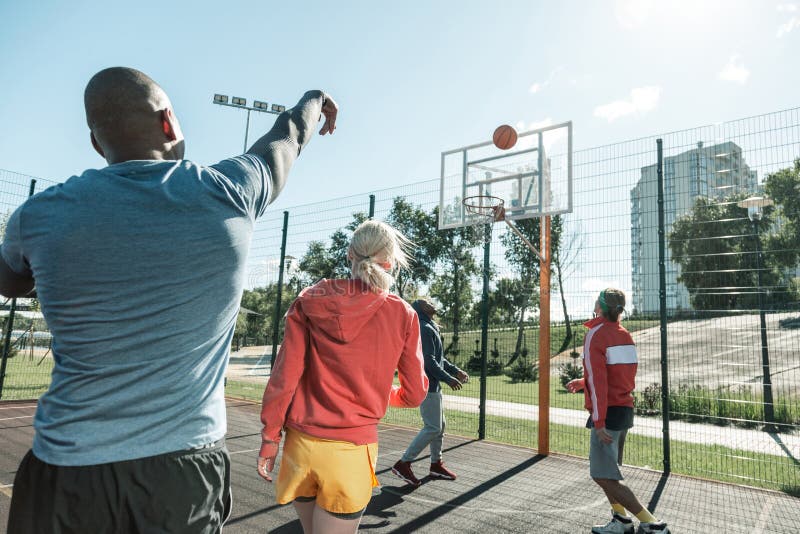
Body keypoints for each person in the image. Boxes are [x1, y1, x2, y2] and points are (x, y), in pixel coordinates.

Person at [0, 66, 338, 534]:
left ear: (98, 144)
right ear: (170, 123)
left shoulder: (39, 215)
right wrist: (314, 99)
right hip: (182, 470)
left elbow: (11, 282)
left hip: (67, 470)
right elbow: (287, 138)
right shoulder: (231, 190)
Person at [257, 219, 429, 534]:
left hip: (300, 449)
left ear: (349, 254)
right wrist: (385, 394)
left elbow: (285, 376)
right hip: (350, 452)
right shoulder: (403, 314)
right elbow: (415, 394)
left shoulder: (310, 300)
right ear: (389, 262)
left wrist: (270, 438)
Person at [567, 289, 670, 534]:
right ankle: (620, 520)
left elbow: (601, 381)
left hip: (608, 413)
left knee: (604, 476)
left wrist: (599, 420)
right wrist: (584, 382)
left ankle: (651, 523)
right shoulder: (624, 334)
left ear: (600, 307)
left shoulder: (596, 334)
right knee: (608, 472)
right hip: (624, 410)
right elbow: (617, 374)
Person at [392, 297, 468, 486]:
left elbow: (438, 358)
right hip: (427, 385)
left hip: (433, 385)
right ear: (420, 307)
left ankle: (436, 465)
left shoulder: (428, 326)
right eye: (427, 301)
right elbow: (429, 362)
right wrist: (448, 378)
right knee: (433, 427)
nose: (432, 302)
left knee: (439, 426)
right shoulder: (424, 328)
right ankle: (404, 463)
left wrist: (454, 370)